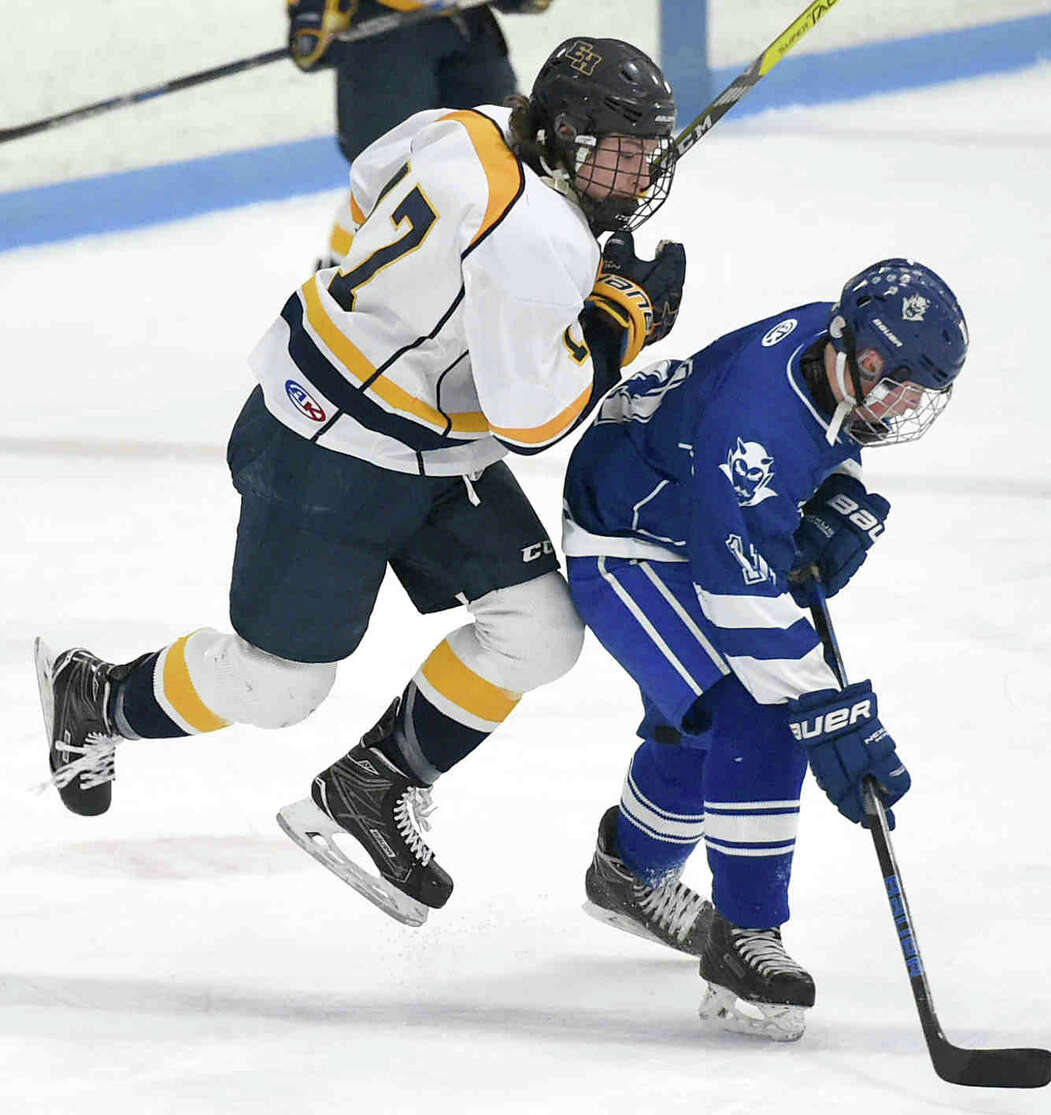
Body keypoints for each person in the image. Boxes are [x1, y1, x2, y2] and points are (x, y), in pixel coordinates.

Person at [35, 37, 686, 931]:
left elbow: (365, 192)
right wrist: (618, 322)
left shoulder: (470, 126)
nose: (641, 170)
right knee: (282, 686)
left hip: (426, 442)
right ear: (568, 133)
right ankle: (97, 696)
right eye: (623, 148)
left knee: (539, 629)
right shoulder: (540, 236)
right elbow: (534, 419)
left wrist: (402, 320)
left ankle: (376, 782)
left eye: (649, 149)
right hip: (325, 452)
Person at [561, 259, 969, 1040]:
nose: (899, 405)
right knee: (758, 708)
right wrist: (833, 714)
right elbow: (740, 597)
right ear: (858, 349)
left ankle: (628, 872)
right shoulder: (756, 420)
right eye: (894, 383)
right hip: (627, 537)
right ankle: (746, 938)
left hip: (689, 508)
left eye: (915, 392)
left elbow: (822, 439)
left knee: (708, 713)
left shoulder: (835, 347)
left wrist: (839, 488)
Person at [286, 0, 554, 267]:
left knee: (502, 151)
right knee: (390, 174)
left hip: (467, 22)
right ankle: (345, 280)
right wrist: (308, 9)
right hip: (381, 30)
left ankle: (500, 274)